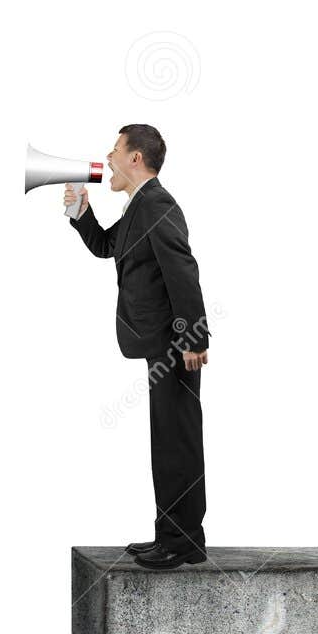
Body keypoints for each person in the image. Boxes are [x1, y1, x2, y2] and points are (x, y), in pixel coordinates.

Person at [65, 124, 209, 569]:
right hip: (160, 344)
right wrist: (80, 213)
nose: (107, 158)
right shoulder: (139, 206)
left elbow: (182, 269)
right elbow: (109, 246)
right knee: (166, 440)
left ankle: (183, 541)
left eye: (115, 150)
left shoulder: (158, 203)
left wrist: (192, 336)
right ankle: (172, 535)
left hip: (173, 344)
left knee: (176, 442)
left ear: (135, 159)